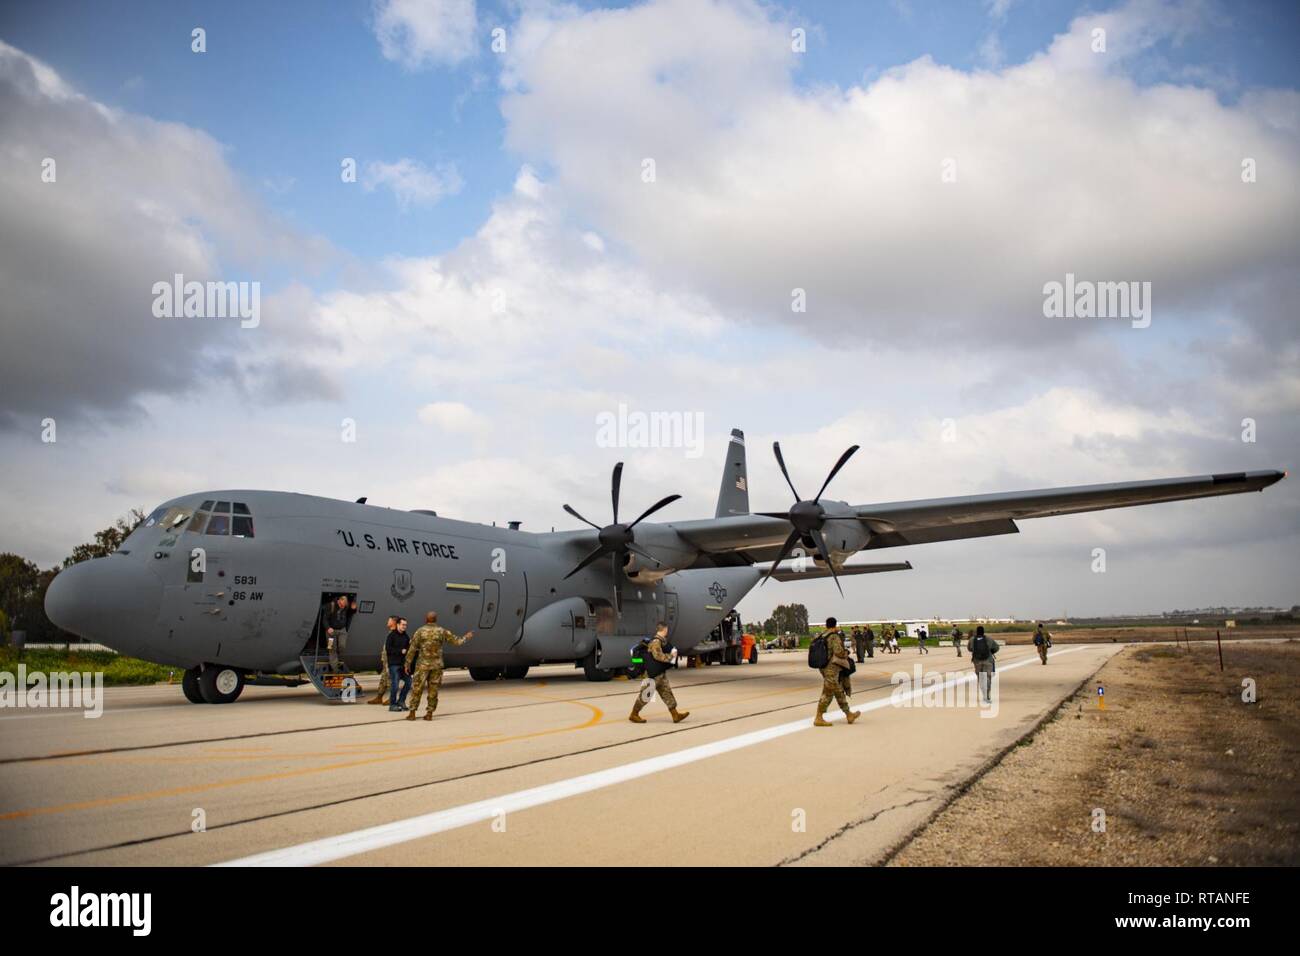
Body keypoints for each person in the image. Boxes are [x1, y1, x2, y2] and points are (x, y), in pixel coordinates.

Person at [403, 611, 473, 721]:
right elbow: (457, 642)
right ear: (435, 620)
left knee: (417, 688)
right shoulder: (442, 631)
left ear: (426, 619)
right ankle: (429, 713)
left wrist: (407, 663)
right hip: (437, 666)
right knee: (433, 689)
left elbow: (412, 648)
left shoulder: (420, 631)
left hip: (422, 665)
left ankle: (412, 713)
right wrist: (466, 637)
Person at [630, 623, 689, 723]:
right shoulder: (656, 641)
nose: (667, 631)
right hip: (652, 674)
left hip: (659, 673)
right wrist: (671, 656)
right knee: (646, 695)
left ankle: (675, 715)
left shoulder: (661, 641)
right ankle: (634, 714)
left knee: (667, 693)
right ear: (664, 629)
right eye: (667, 629)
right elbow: (658, 656)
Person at [813, 617, 860, 727]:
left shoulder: (822, 635)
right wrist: (846, 653)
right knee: (827, 693)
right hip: (831, 669)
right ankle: (818, 718)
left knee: (838, 690)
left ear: (826, 625)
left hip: (823, 667)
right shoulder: (833, 636)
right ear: (835, 625)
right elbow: (838, 652)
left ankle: (849, 714)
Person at [323, 594, 357, 672]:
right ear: (339, 601)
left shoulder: (345, 606)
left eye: (344, 606)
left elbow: (350, 612)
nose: (342, 607)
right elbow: (324, 619)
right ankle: (335, 669)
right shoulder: (331, 606)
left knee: (342, 646)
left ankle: (336, 660)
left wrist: (353, 609)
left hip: (342, 630)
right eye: (341, 605)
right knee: (331, 648)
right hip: (331, 632)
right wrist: (328, 628)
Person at [967, 625, 1000, 704]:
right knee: (988, 678)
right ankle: (987, 696)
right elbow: (997, 648)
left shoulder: (972, 639)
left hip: (977, 662)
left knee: (981, 678)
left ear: (976, 631)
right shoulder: (989, 639)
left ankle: (984, 694)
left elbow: (969, 649)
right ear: (983, 632)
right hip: (988, 661)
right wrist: (990, 651)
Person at [369, 615, 398, 704]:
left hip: (391, 661)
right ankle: (379, 697)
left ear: (393, 622)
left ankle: (392, 699)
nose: (387, 622)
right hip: (386, 661)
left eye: (389, 620)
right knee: (384, 679)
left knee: (390, 679)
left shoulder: (396, 634)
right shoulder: (391, 633)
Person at [386, 617, 413, 711]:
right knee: (395, 685)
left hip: (403, 665)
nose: (404, 626)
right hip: (394, 664)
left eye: (406, 625)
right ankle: (392, 704)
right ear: (397, 625)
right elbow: (388, 649)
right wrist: (400, 651)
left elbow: (408, 650)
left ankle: (401, 701)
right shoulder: (391, 636)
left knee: (409, 682)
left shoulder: (406, 636)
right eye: (403, 625)